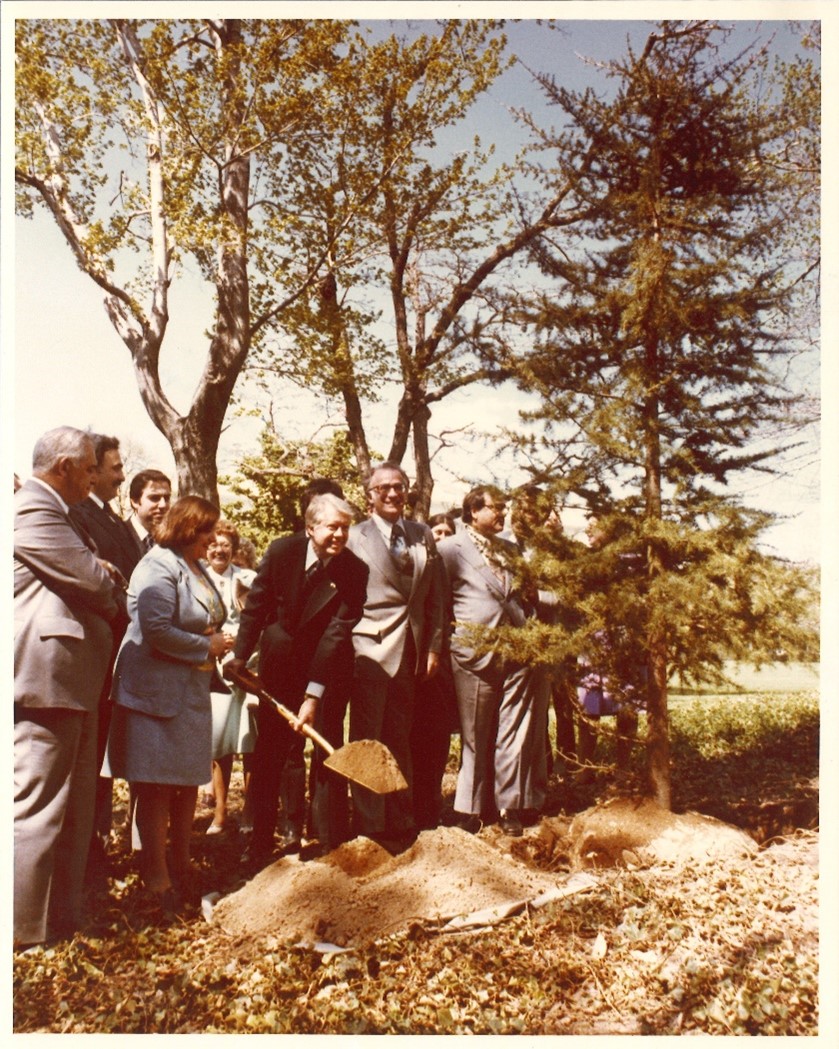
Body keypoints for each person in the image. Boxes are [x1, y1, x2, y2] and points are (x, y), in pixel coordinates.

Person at [14, 427, 127, 947]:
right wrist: (100, 572)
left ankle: (60, 919)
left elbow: (92, 575)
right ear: (62, 467)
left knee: (74, 808)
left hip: (72, 683)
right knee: (38, 808)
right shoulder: (34, 510)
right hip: (46, 681)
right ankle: (21, 932)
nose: (91, 478)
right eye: (86, 469)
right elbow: (98, 585)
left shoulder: (56, 516)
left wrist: (96, 570)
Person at [105, 496, 235, 916]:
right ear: (186, 530)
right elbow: (156, 629)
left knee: (184, 783)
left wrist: (218, 647)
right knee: (157, 785)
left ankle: (181, 862)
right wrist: (207, 645)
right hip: (155, 694)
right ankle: (155, 872)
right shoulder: (157, 565)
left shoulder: (194, 566)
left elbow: (211, 616)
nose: (212, 539)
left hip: (190, 691)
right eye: (205, 531)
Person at [226, 493, 368, 869]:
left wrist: (313, 695)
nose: (340, 535)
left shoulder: (354, 571)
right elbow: (255, 606)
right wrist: (240, 656)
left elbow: (335, 636)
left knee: (325, 752)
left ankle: (327, 840)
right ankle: (260, 841)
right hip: (278, 666)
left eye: (345, 528)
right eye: (332, 527)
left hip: (325, 669)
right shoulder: (282, 552)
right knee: (272, 752)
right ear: (310, 528)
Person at [437, 485, 549, 837]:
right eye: (495, 508)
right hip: (473, 654)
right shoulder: (449, 550)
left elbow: (524, 596)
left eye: (503, 508)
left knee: (513, 733)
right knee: (475, 735)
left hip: (517, 651)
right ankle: (471, 809)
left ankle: (509, 807)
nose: (502, 514)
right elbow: (438, 603)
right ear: (473, 511)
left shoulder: (511, 549)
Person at [346, 462, 446, 849]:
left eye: (399, 487)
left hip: (411, 650)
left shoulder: (421, 535)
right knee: (369, 736)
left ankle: (400, 818)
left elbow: (434, 598)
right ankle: (371, 825)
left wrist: (434, 646)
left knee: (400, 737)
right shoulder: (354, 537)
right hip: (367, 648)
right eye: (383, 487)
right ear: (369, 495)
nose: (392, 493)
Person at [68, 434, 139, 869]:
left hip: (121, 655)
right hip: (98, 653)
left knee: (104, 749)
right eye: (114, 468)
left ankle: (97, 840)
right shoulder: (77, 517)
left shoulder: (113, 519)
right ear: (90, 472)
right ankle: (86, 849)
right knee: (88, 755)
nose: (120, 475)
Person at [205, 520, 257, 834]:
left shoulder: (248, 578)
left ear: (233, 549)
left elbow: (259, 617)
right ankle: (220, 815)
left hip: (247, 664)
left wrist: (241, 640)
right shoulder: (196, 579)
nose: (219, 550)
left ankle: (251, 813)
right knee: (218, 743)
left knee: (248, 740)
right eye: (212, 544)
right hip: (213, 669)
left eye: (225, 544)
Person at [409, 514, 460, 831]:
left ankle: (430, 804)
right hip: (409, 658)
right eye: (436, 531)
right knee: (413, 734)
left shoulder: (452, 565)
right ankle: (411, 805)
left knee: (437, 734)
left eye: (447, 532)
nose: (441, 537)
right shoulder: (418, 561)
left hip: (442, 659)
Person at [127, 468, 172, 552]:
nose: (163, 505)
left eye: (167, 498)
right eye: (154, 498)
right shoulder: (119, 537)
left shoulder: (173, 540)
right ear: (135, 502)